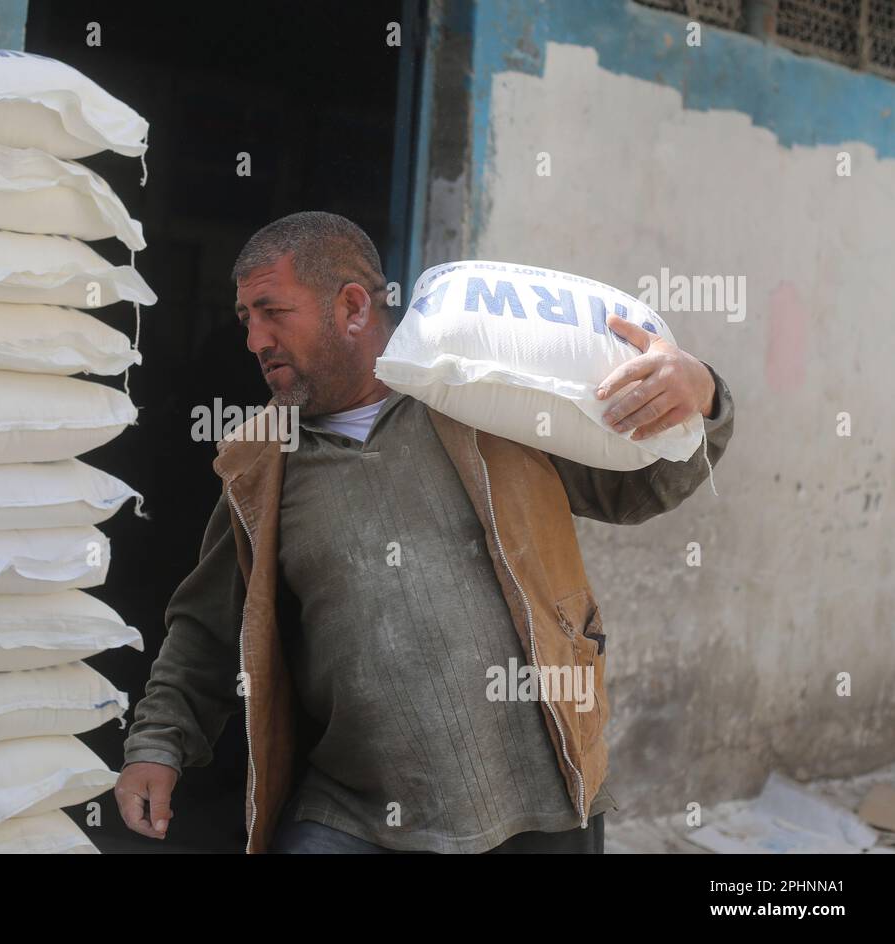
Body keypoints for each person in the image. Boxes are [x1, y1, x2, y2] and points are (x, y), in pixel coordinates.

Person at [114, 211, 735, 853]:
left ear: (353, 306)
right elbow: (208, 627)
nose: (254, 340)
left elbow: (641, 491)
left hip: (541, 795)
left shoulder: (484, 401)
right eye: (247, 319)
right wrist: (157, 744)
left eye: (272, 312)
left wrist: (704, 392)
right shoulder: (260, 466)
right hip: (355, 809)